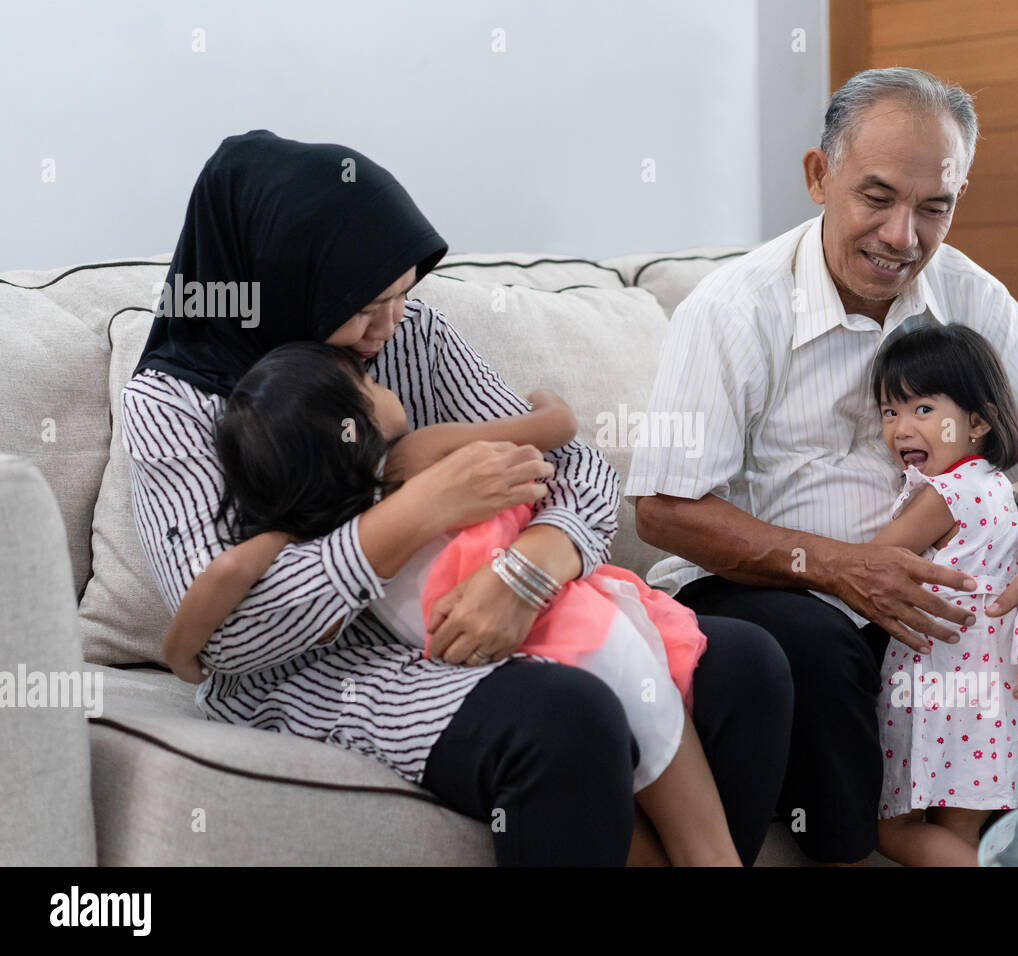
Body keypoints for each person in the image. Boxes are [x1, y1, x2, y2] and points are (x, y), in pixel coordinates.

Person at [124, 129, 793, 866]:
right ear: (287, 281)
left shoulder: (411, 336)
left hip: (500, 609)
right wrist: (416, 513)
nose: (389, 327)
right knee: (568, 720)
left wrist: (532, 567)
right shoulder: (172, 406)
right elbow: (229, 638)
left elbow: (577, 467)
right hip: (329, 675)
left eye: (402, 296)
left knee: (748, 667)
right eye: (365, 306)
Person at [626, 68, 1018, 864]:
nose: (903, 236)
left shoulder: (975, 298)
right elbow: (663, 510)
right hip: (782, 587)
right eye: (878, 197)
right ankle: (854, 845)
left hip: (938, 607)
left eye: (935, 207)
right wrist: (842, 567)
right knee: (815, 647)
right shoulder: (731, 309)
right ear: (819, 176)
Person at [162, 340, 741, 866]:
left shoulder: (311, 528)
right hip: (585, 635)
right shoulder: (414, 455)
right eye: (368, 383)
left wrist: (187, 661)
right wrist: (544, 399)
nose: (383, 383)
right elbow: (553, 428)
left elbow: (224, 574)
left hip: (512, 665)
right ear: (356, 422)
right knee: (705, 846)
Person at [867, 323, 1018, 866]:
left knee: (889, 830)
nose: (901, 428)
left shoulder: (945, 494)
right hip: (994, 696)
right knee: (961, 832)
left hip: (941, 688)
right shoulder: (994, 484)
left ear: (978, 422)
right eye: (889, 411)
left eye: (923, 409)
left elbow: (870, 564)